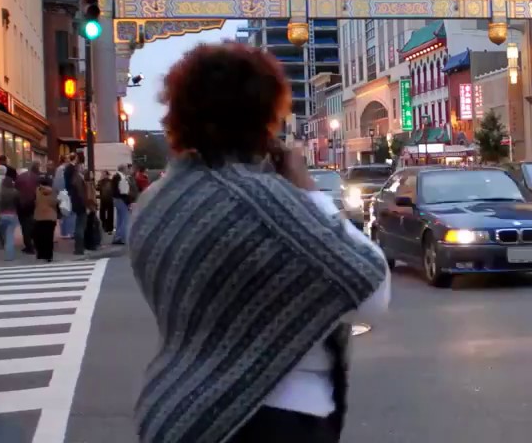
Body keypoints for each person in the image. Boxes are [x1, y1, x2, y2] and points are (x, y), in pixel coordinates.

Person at [129, 42, 389, 443]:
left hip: (174, 410)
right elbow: (371, 289)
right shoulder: (267, 203)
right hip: (272, 420)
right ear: (263, 116)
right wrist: (306, 191)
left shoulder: (157, 203)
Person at [65, 154, 88, 255]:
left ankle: (79, 248)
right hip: (80, 203)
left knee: (80, 224)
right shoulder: (77, 179)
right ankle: (79, 248)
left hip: (77, 201)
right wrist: (85, 203)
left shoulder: (74, 177)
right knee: (80, 225)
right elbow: (81, 193)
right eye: (82, 167)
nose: (83, 168)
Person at [15, 162, 41, 254]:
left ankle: (28, 245)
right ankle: (35, 244)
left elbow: (16, 191)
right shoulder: (36, 178)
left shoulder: (19, 179)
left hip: (22, 206)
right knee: (34, 224)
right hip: (33, 203)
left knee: (25, 226)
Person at [33, 173, 60, 262]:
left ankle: (40, 254)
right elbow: (55, 203)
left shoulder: (37, 191)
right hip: (50, 216)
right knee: (49, 237)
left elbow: (34, 202)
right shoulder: (54, 191)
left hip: (39, 216)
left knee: (40, 236)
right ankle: (49, 256)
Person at [0, 173, 22, 261]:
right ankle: (9, 255)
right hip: (12, 214)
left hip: (2, 215)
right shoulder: (15, 192)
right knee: (10, 235)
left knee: (4, 235)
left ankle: (4, 247)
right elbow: (19, 204)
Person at [112, 164, 133, 245]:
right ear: (123, 169)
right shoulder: (121, 177)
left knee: (120, 219)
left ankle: (117, 236)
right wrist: (128, 202)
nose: (127, 170)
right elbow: (124, 192)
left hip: (116, 199)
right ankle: (120, 237)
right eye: (126, 169)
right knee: (125, 218)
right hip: (121, 199)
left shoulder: (115, 176)